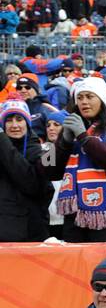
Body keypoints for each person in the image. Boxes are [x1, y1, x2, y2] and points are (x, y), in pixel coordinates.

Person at [45, 75, 106, 242]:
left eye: (89, 96)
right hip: (74, 218)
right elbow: (47, 168)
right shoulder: (67, 129)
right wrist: (63, 143)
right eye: (79, 97)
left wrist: (84, 138)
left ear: (101, 99)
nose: (84, 102)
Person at [0, 98, 52, 241]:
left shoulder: (45, 150)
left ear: (27, 123)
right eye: (9, 120)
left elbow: (31, 184)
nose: (15, 125)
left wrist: (2, 140)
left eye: (19, 119)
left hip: (30, 233)